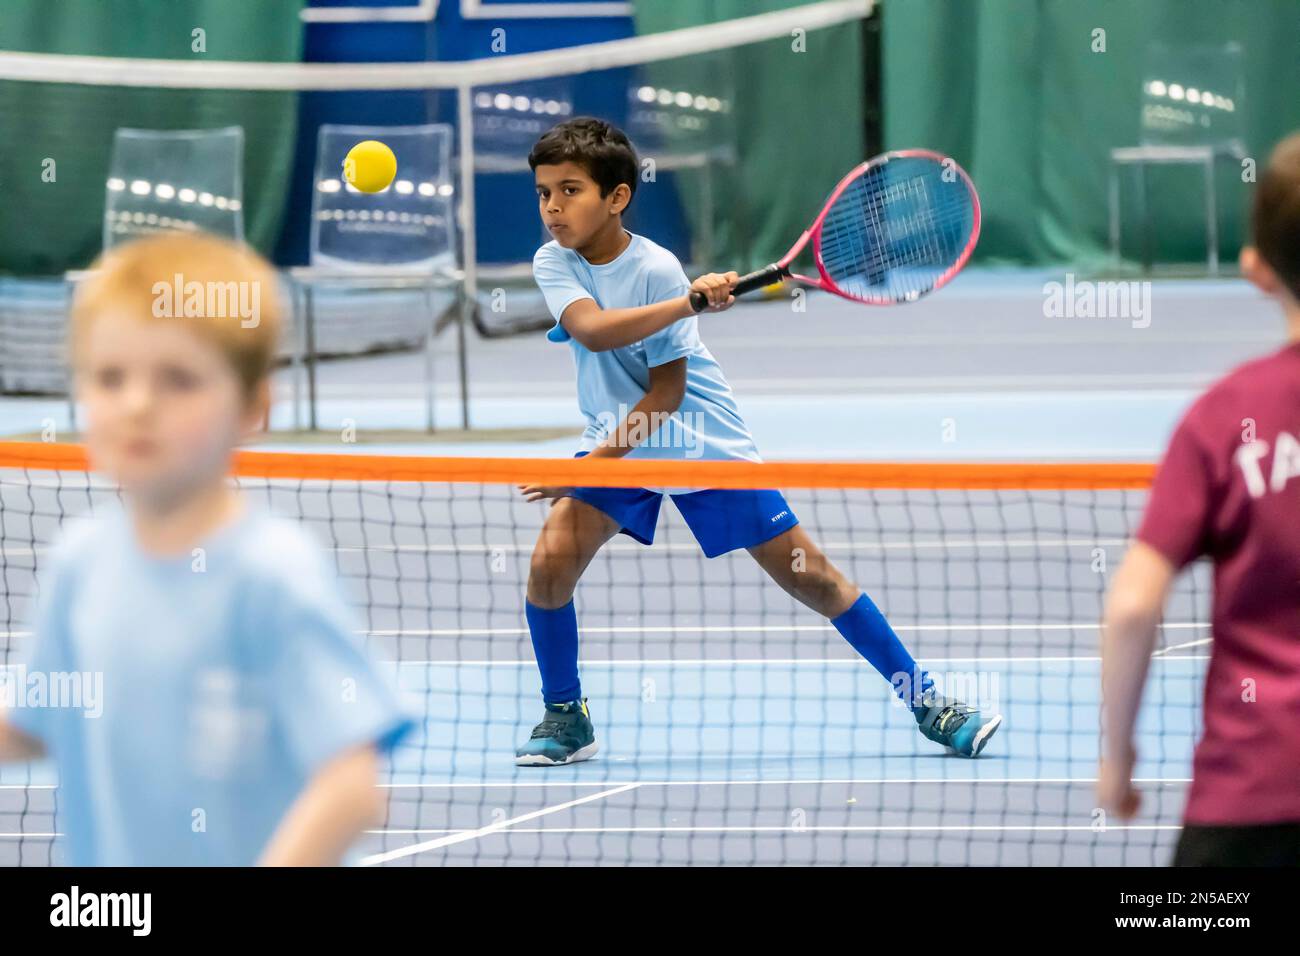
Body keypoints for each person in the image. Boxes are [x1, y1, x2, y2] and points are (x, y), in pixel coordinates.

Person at [515, 116, 1002, 765]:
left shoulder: (657, 268)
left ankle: (931, 703)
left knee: (814, 579)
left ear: (617, 197)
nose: (552, 207)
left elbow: (666, 395)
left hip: (698, 445)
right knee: (550, 565)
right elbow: (596, 330)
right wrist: (688, 306)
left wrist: (587, 467)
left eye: (569, 190)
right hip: (619, 445)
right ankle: (565, 714)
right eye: (544, 192)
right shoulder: (555, 260)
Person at [0, 233, 412, 865]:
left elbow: (351, 789)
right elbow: (32, 722)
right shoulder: (79, 563)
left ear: (254, 406)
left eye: (179, 380)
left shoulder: (272, 574)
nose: (137, 405)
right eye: (110, 378)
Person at [1098, 134, 1300, 865]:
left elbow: (1131, 606)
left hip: (1249, 808)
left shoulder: (1224, 418)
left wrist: (1118, 759)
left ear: (1257, 267)